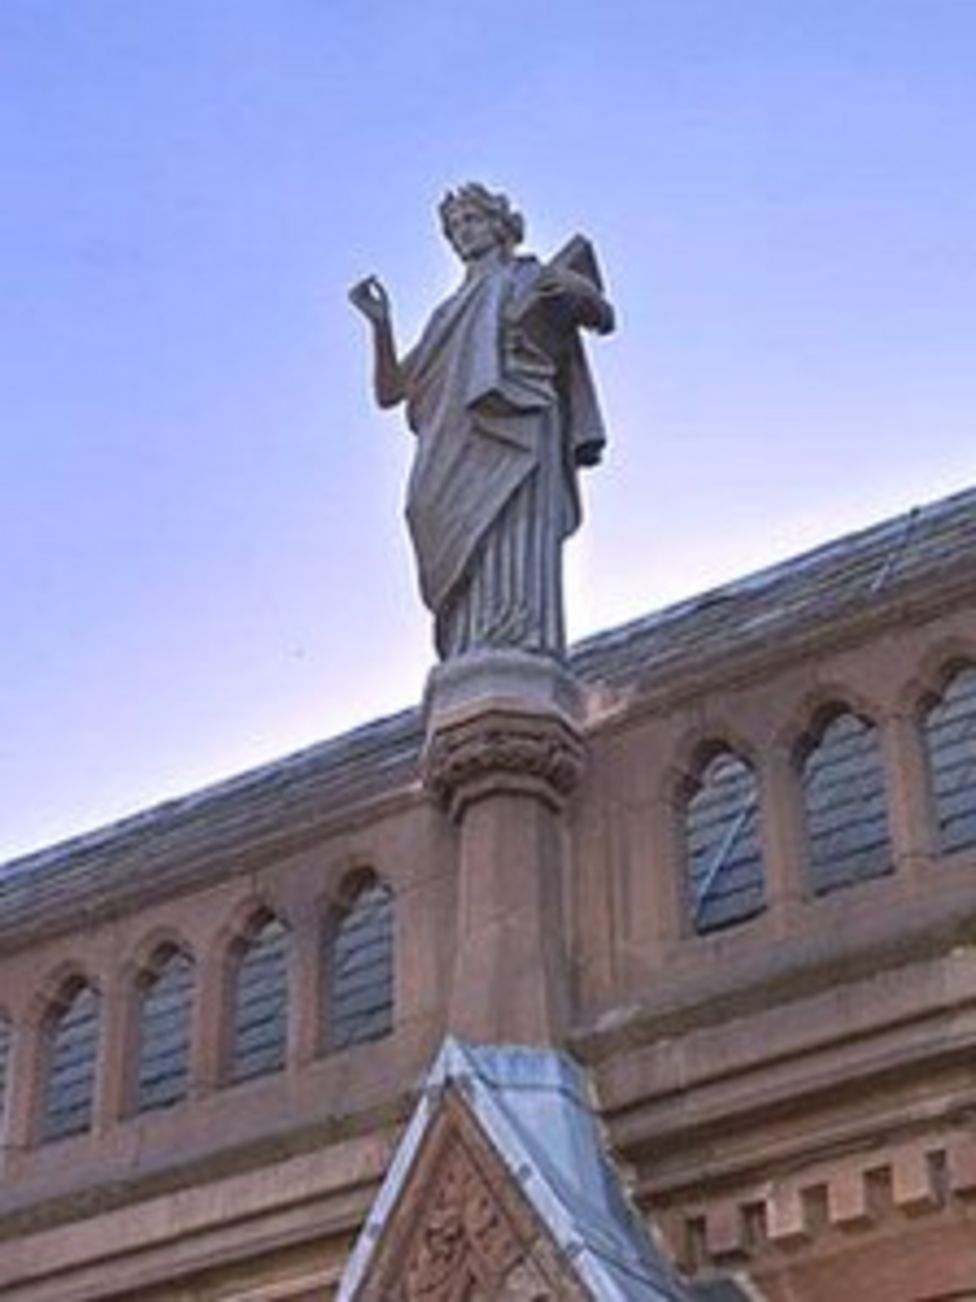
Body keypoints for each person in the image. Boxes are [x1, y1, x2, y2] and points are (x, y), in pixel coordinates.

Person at [349, 183, 614, 661]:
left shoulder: (527, 275)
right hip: (456, 441)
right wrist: (380, 324)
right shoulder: (447, 313)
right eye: (454, 229)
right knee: (425, 511)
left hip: (523, 424)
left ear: (498, 225)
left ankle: (520, 640)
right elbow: (391, 391)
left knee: (516, 528)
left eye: (470, 221)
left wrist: (579, 291)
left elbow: (602, 315)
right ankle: (470, 650)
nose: (462, 235)